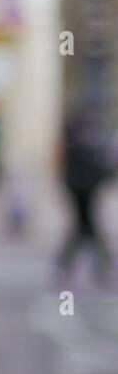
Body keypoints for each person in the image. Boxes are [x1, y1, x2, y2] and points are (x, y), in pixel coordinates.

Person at [55, 115, 114, 289]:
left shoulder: (78, 148)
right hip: (83, 195)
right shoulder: (83, 149)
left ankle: (100, 268)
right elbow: (96, 171)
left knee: (84, 230)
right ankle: (104, 268)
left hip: (82, 194)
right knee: (87, 230)